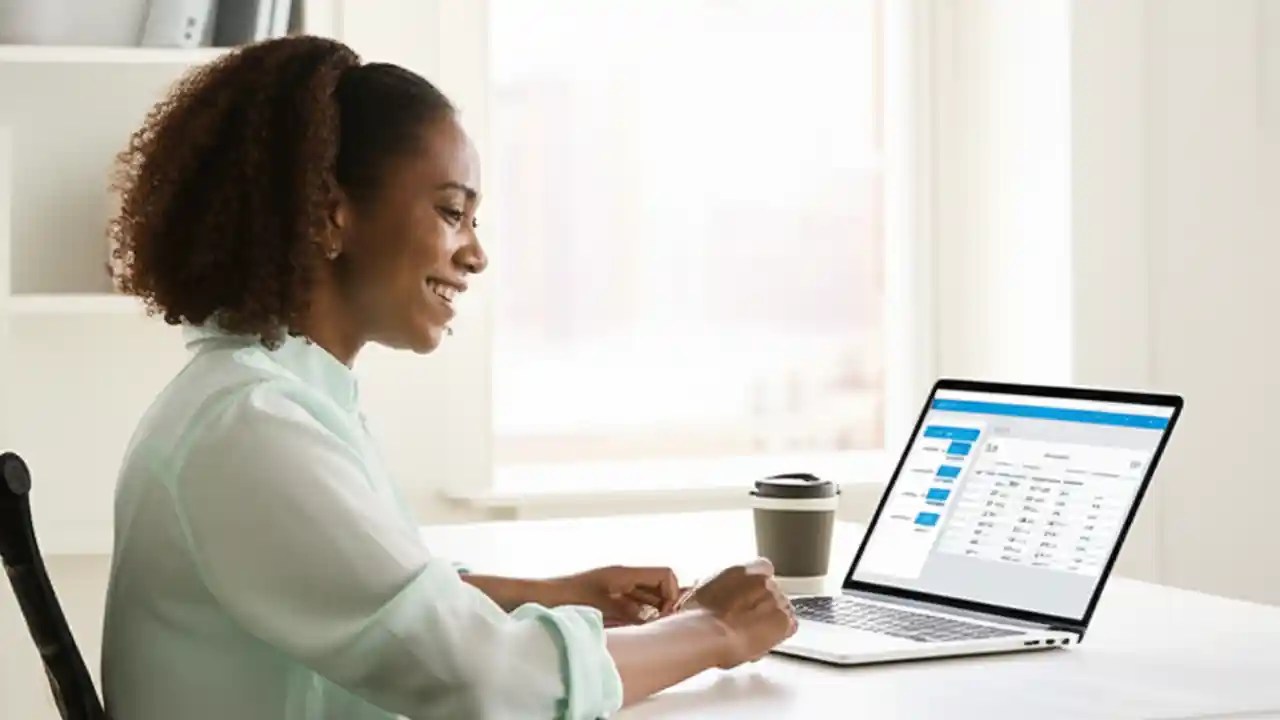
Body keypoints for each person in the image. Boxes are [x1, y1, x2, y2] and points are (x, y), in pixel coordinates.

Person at [100, 35, 797, 720]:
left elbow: (383, 595)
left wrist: (556, 595)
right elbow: (486, 684)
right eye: (451, 212)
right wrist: (715, 631)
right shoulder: (253, 429)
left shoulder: (273, 399)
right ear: (330, 213)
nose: (476, 254)